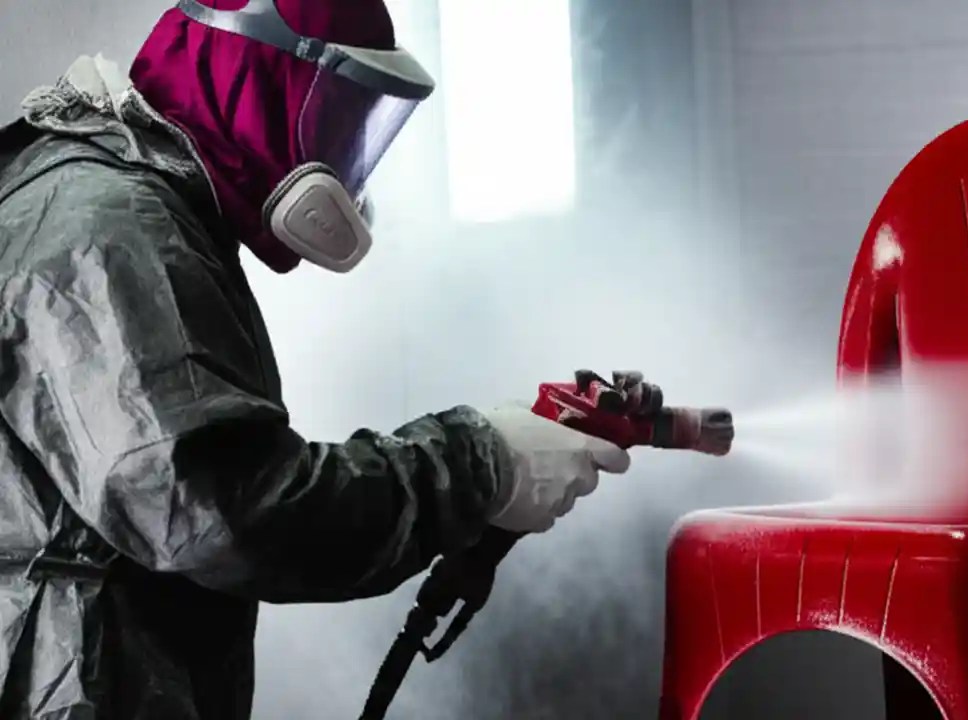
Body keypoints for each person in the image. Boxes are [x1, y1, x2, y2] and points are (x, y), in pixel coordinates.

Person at [0, 1, 630, 717]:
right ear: (263, 86)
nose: (348, 159)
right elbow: (221, 512)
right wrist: (481, 464)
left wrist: (493, 454)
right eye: (338, 120)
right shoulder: (110, 227)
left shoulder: (109, 197)